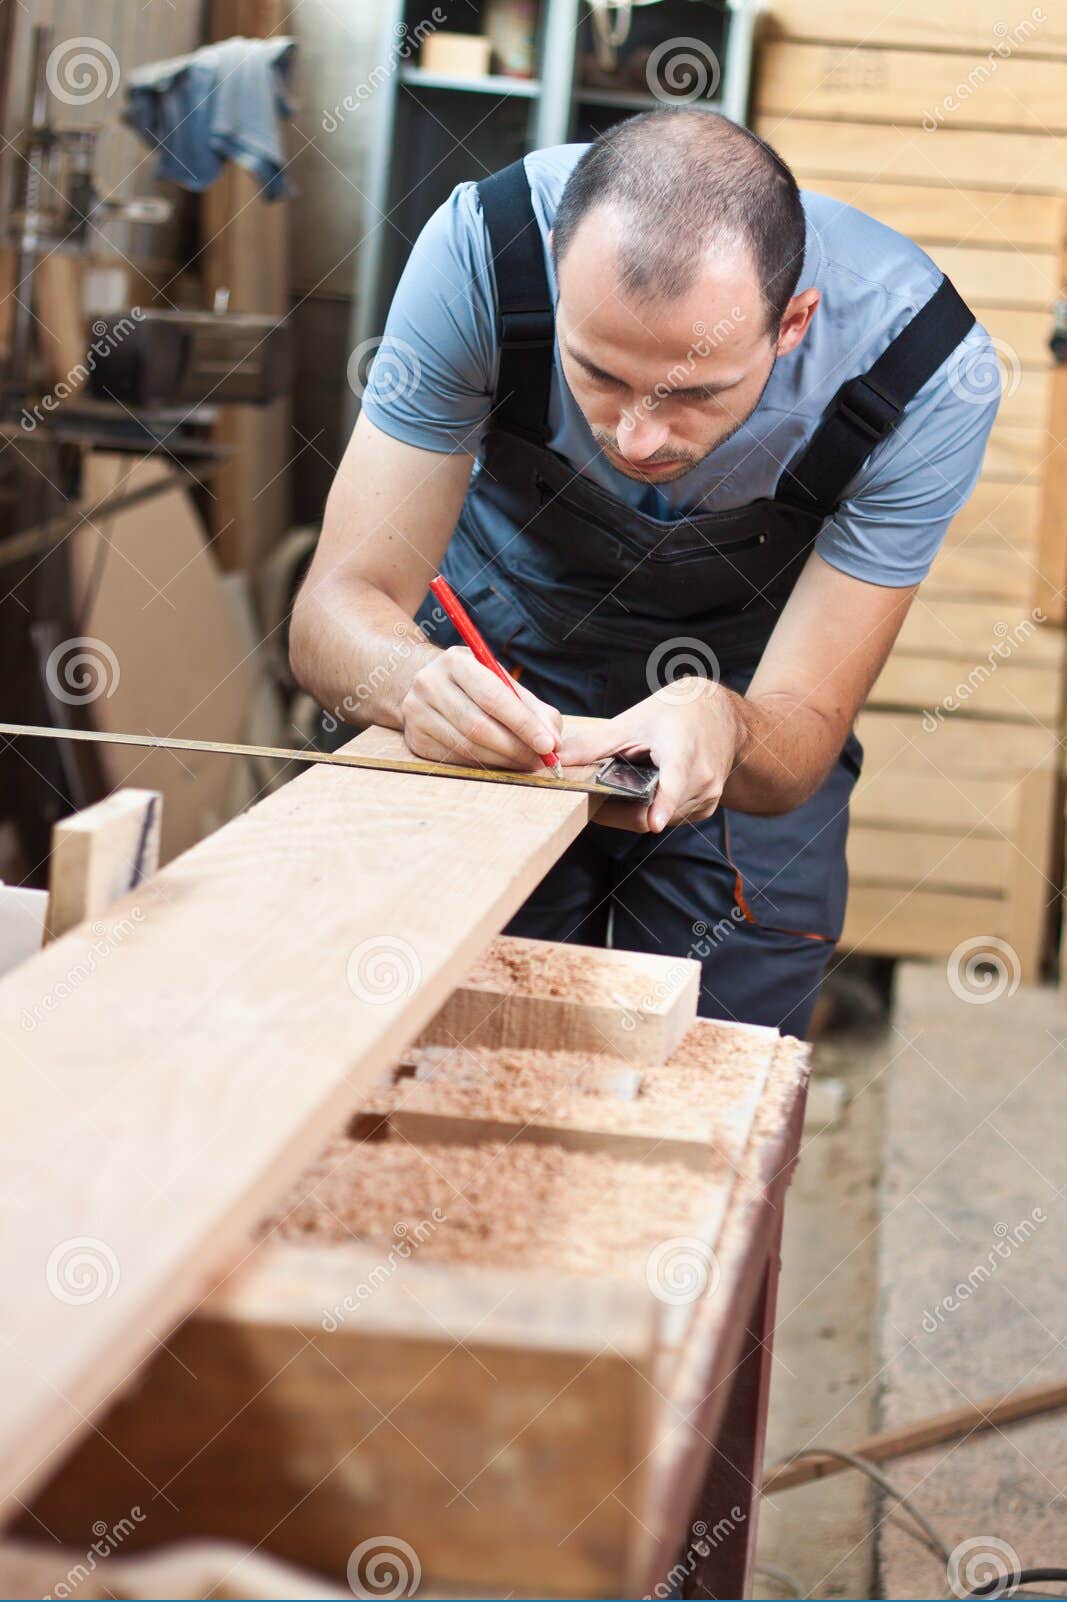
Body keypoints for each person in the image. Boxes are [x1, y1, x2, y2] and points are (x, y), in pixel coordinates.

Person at [291, 112, 999, 1037]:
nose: (635, 439)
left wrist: (721, 721)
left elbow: (797, 743)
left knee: (721, 1066)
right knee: (426, 1030)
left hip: (742, 705)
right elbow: (333, 611)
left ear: (792, 325)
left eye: (695, 394)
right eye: (598, 375)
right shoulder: (484, 249)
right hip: (494, 674)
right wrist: (409, 679)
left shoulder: (921, 373)